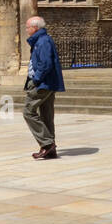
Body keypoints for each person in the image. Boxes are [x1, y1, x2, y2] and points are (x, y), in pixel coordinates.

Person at [23, 16, 64, 160]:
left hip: (43, 83)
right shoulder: (41, 40)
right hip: (47, 82)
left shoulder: (43, 41)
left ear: (35, 28)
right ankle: (50, 148)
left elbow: (45, 64)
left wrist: (36, 79)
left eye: (27, 27)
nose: (26, 29)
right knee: (46, 114)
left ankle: (47, 144)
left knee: (28, 112)